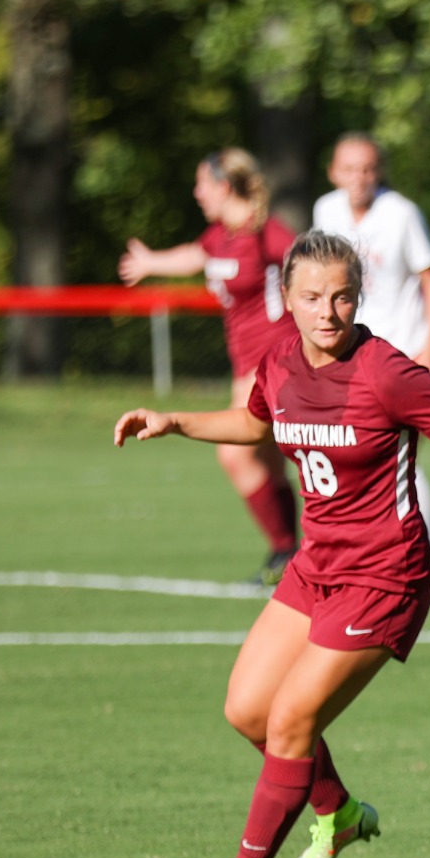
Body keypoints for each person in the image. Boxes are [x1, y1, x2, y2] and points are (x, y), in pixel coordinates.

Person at [113, 230, 430, 858]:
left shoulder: (384, 371)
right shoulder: (278, 362)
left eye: (341, 296)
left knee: (291, 719)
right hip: (316, 565)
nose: (327, 312)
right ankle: (338, 811)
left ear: (359, 297)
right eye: (311, 297)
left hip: (386, 575)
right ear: (287, 299)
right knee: (247, 710)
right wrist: (174, 420)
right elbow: (255, 426)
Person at [118, 148, 303, 584]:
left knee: (237, 455)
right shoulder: (221, 235)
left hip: (277, 362)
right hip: (245, 368)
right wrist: (151, 262)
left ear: (224, 186)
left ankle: (294, 552)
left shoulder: (267, 234)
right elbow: (196, 256)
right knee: (268, 464)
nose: (197, 192)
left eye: (203, 183)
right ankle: (290, 555)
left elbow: (311, 263)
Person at [311, 133, 430, 586]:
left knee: (402, 458)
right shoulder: (325, 211)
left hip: (400, 353)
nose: (360, 178)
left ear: (380, 172)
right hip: (350, 352)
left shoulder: (401, 213)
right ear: (335, 172)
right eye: (351, 169)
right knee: (353, 454)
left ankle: (427, 554)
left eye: (369, 169)